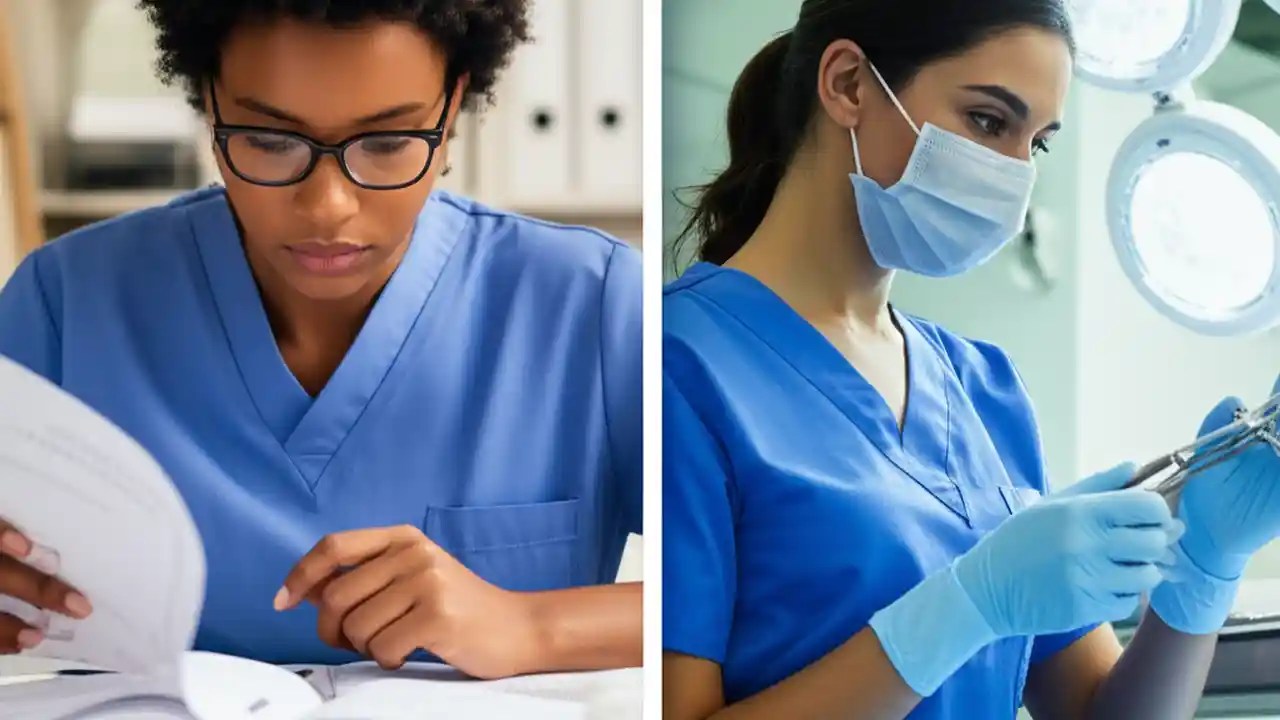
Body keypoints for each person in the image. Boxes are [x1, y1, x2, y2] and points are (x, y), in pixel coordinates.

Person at [662, 1, 1280, 718]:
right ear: (849, 84)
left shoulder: (983, 388)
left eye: (1037, 143)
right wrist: (965, 608)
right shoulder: (681, 361)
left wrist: (1204, 570)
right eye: (989, 121)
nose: (1016, 175)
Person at [0, 0, 641, 678]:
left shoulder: (592, 306)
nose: (328, 206)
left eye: (389, 143)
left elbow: (744, 582)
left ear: (451, 110)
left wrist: (533, 625)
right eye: (271, 142)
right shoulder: (65, 305)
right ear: (208, 102)